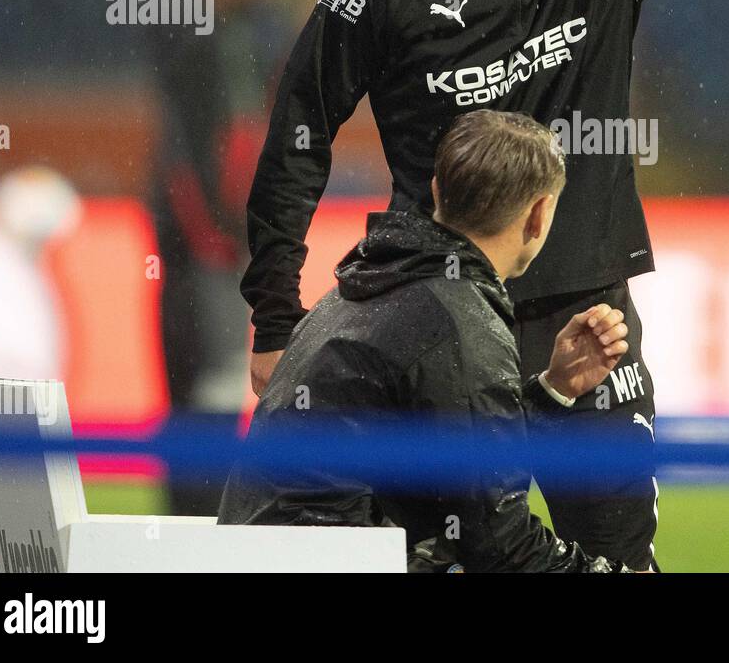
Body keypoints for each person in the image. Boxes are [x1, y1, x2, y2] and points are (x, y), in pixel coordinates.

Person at [240, 0, 729, 569]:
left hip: (589, 317)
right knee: (461, 558)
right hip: (435, 321)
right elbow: (296, 143)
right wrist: (274, 318)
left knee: (619, 562)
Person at [219, 110, 636, 572]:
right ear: (539, 215)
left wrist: (552, 389)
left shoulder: (377, 281)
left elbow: (465, 466)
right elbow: (499, 543)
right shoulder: (457, 319)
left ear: (436, 189)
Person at [148, 0, 286, 515]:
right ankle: (191, 535)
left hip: (221, 253)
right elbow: (183, 159)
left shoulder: (238, 36)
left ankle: (194, 530)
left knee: (212, 401)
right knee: (204, 400)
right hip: (204, 257)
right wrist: (214, 241)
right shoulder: (194, 35)